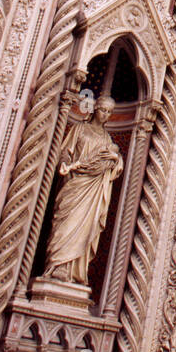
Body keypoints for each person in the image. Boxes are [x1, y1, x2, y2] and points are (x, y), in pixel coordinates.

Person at [43, 96, 123, 284]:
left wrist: (115, 158)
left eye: (110, 112)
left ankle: (74, 272)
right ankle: (57, 265)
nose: (106, 115)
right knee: (66, 224)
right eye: (103, 110)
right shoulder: (80, 128)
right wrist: (64, 163)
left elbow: (115, 164)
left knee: (85, 228)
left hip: (93, 189)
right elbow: (65, 151)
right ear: (95, 108)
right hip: (74, 184)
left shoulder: (107, 139)